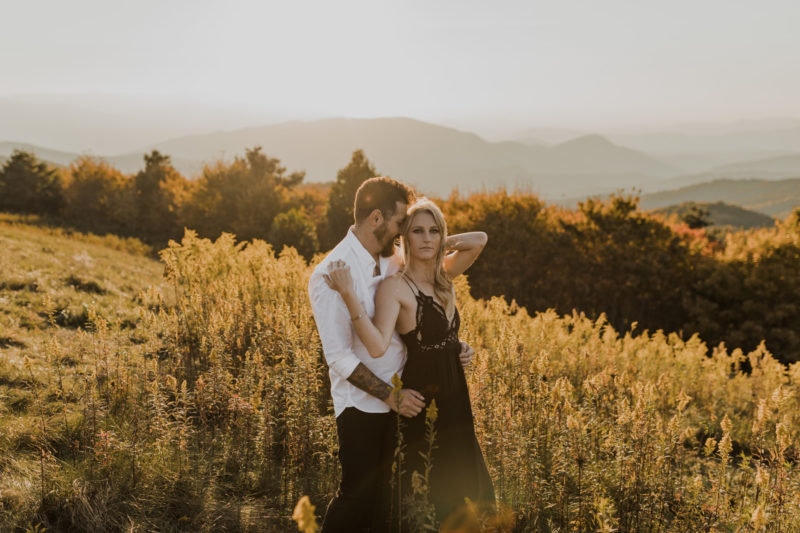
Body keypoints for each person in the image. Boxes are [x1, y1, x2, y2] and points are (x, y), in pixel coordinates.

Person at [308, 178, 476, 533]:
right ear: (376, 219)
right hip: (364, 404)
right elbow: (338, 358)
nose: (404, 231)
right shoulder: (331, 273)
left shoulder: (391, 259)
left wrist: (449, 347)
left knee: (391, 499)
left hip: (410, 395)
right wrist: (389, 395)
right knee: (358, 495)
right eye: (401, 222)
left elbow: (415, 313)